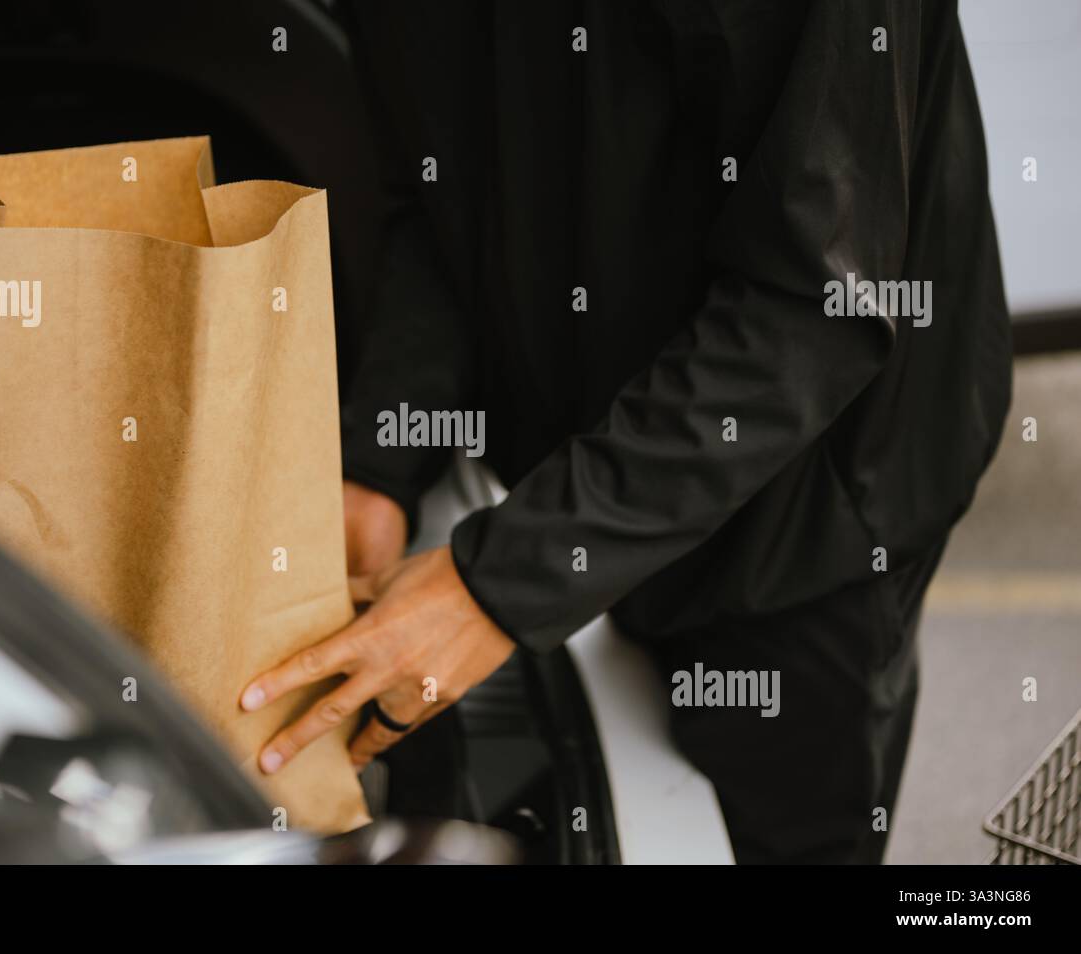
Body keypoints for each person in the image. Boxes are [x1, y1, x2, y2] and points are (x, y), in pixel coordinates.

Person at [239, 0, 1011, 863]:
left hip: (813, 506)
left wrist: (501, 583)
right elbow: (439, 191)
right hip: (600, 450)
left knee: (775, 814)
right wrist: (383, 455)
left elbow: (813, 308)